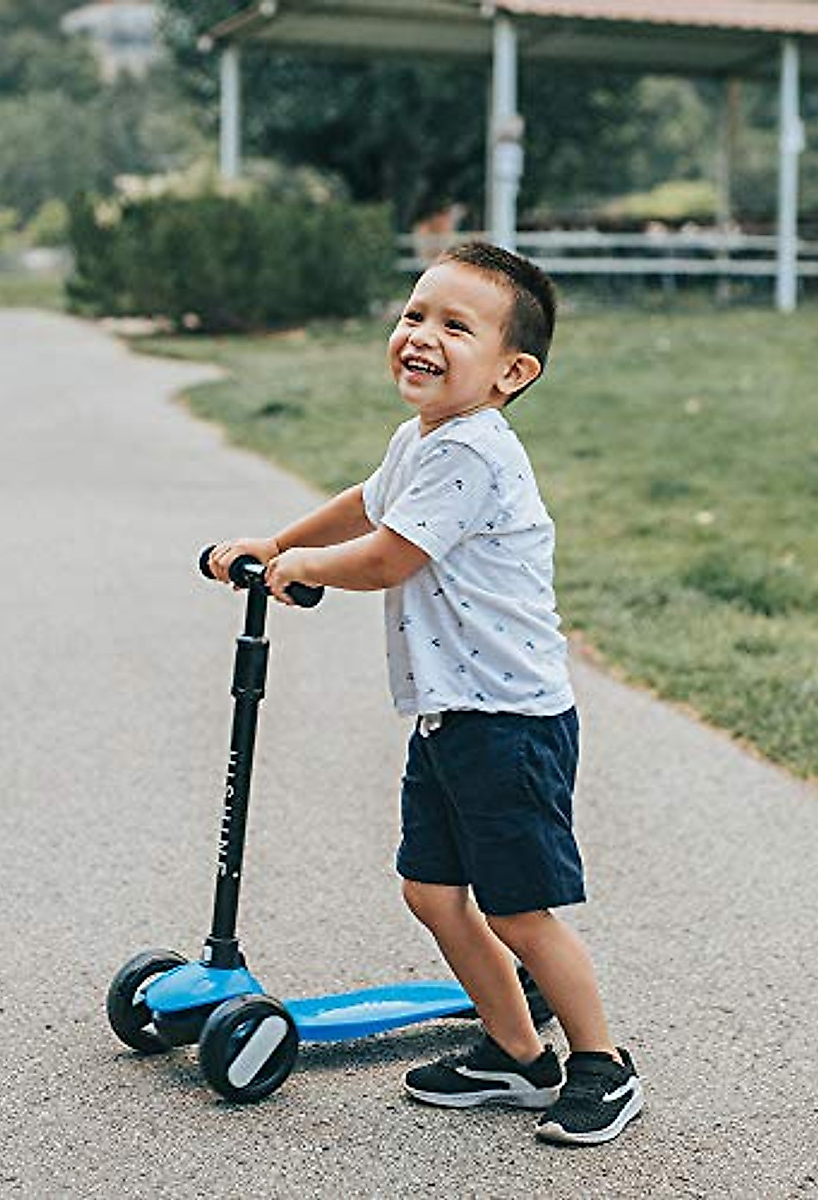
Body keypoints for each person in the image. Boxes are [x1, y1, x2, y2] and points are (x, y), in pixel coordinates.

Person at [208, 241, 642, 1146]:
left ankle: (604, 1065)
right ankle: (516, 1055)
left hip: (510, 723)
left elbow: (389, 556)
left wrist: (302, 567)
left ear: (512, 372)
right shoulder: (422, 441)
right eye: (414, 314)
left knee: (518, 909)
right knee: (433, 893)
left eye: (456, 326)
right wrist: (274, 544)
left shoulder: (475, 452)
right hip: (451, 717)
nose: (421, 335)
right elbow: (368, 503)